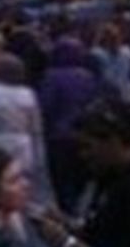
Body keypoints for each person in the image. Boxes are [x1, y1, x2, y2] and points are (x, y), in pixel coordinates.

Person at [33, 99, 130, 247]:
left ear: (114, 141)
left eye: (88, 147)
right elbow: (103, 231)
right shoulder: (110, 179)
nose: (83, 155)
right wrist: (68, 225)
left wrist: (67, 244)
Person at [0, 53, 51, 203]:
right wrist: (38, 152)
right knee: (21, 185)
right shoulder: (28, 93)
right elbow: (36, 126)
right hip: (23, 143)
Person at [38, 37, 102, 214]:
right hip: (82, 134)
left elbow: (46, 105)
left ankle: (66, 208)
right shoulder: (88, 77)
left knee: (61, 177)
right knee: (79, 175)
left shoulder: (51, 76)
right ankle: (76, 205)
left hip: (58, 135)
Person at [91, 23, 130, 103]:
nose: (114, 40)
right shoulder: (128, 52)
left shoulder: (96, 54)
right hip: (121, 95)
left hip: (113, 96)